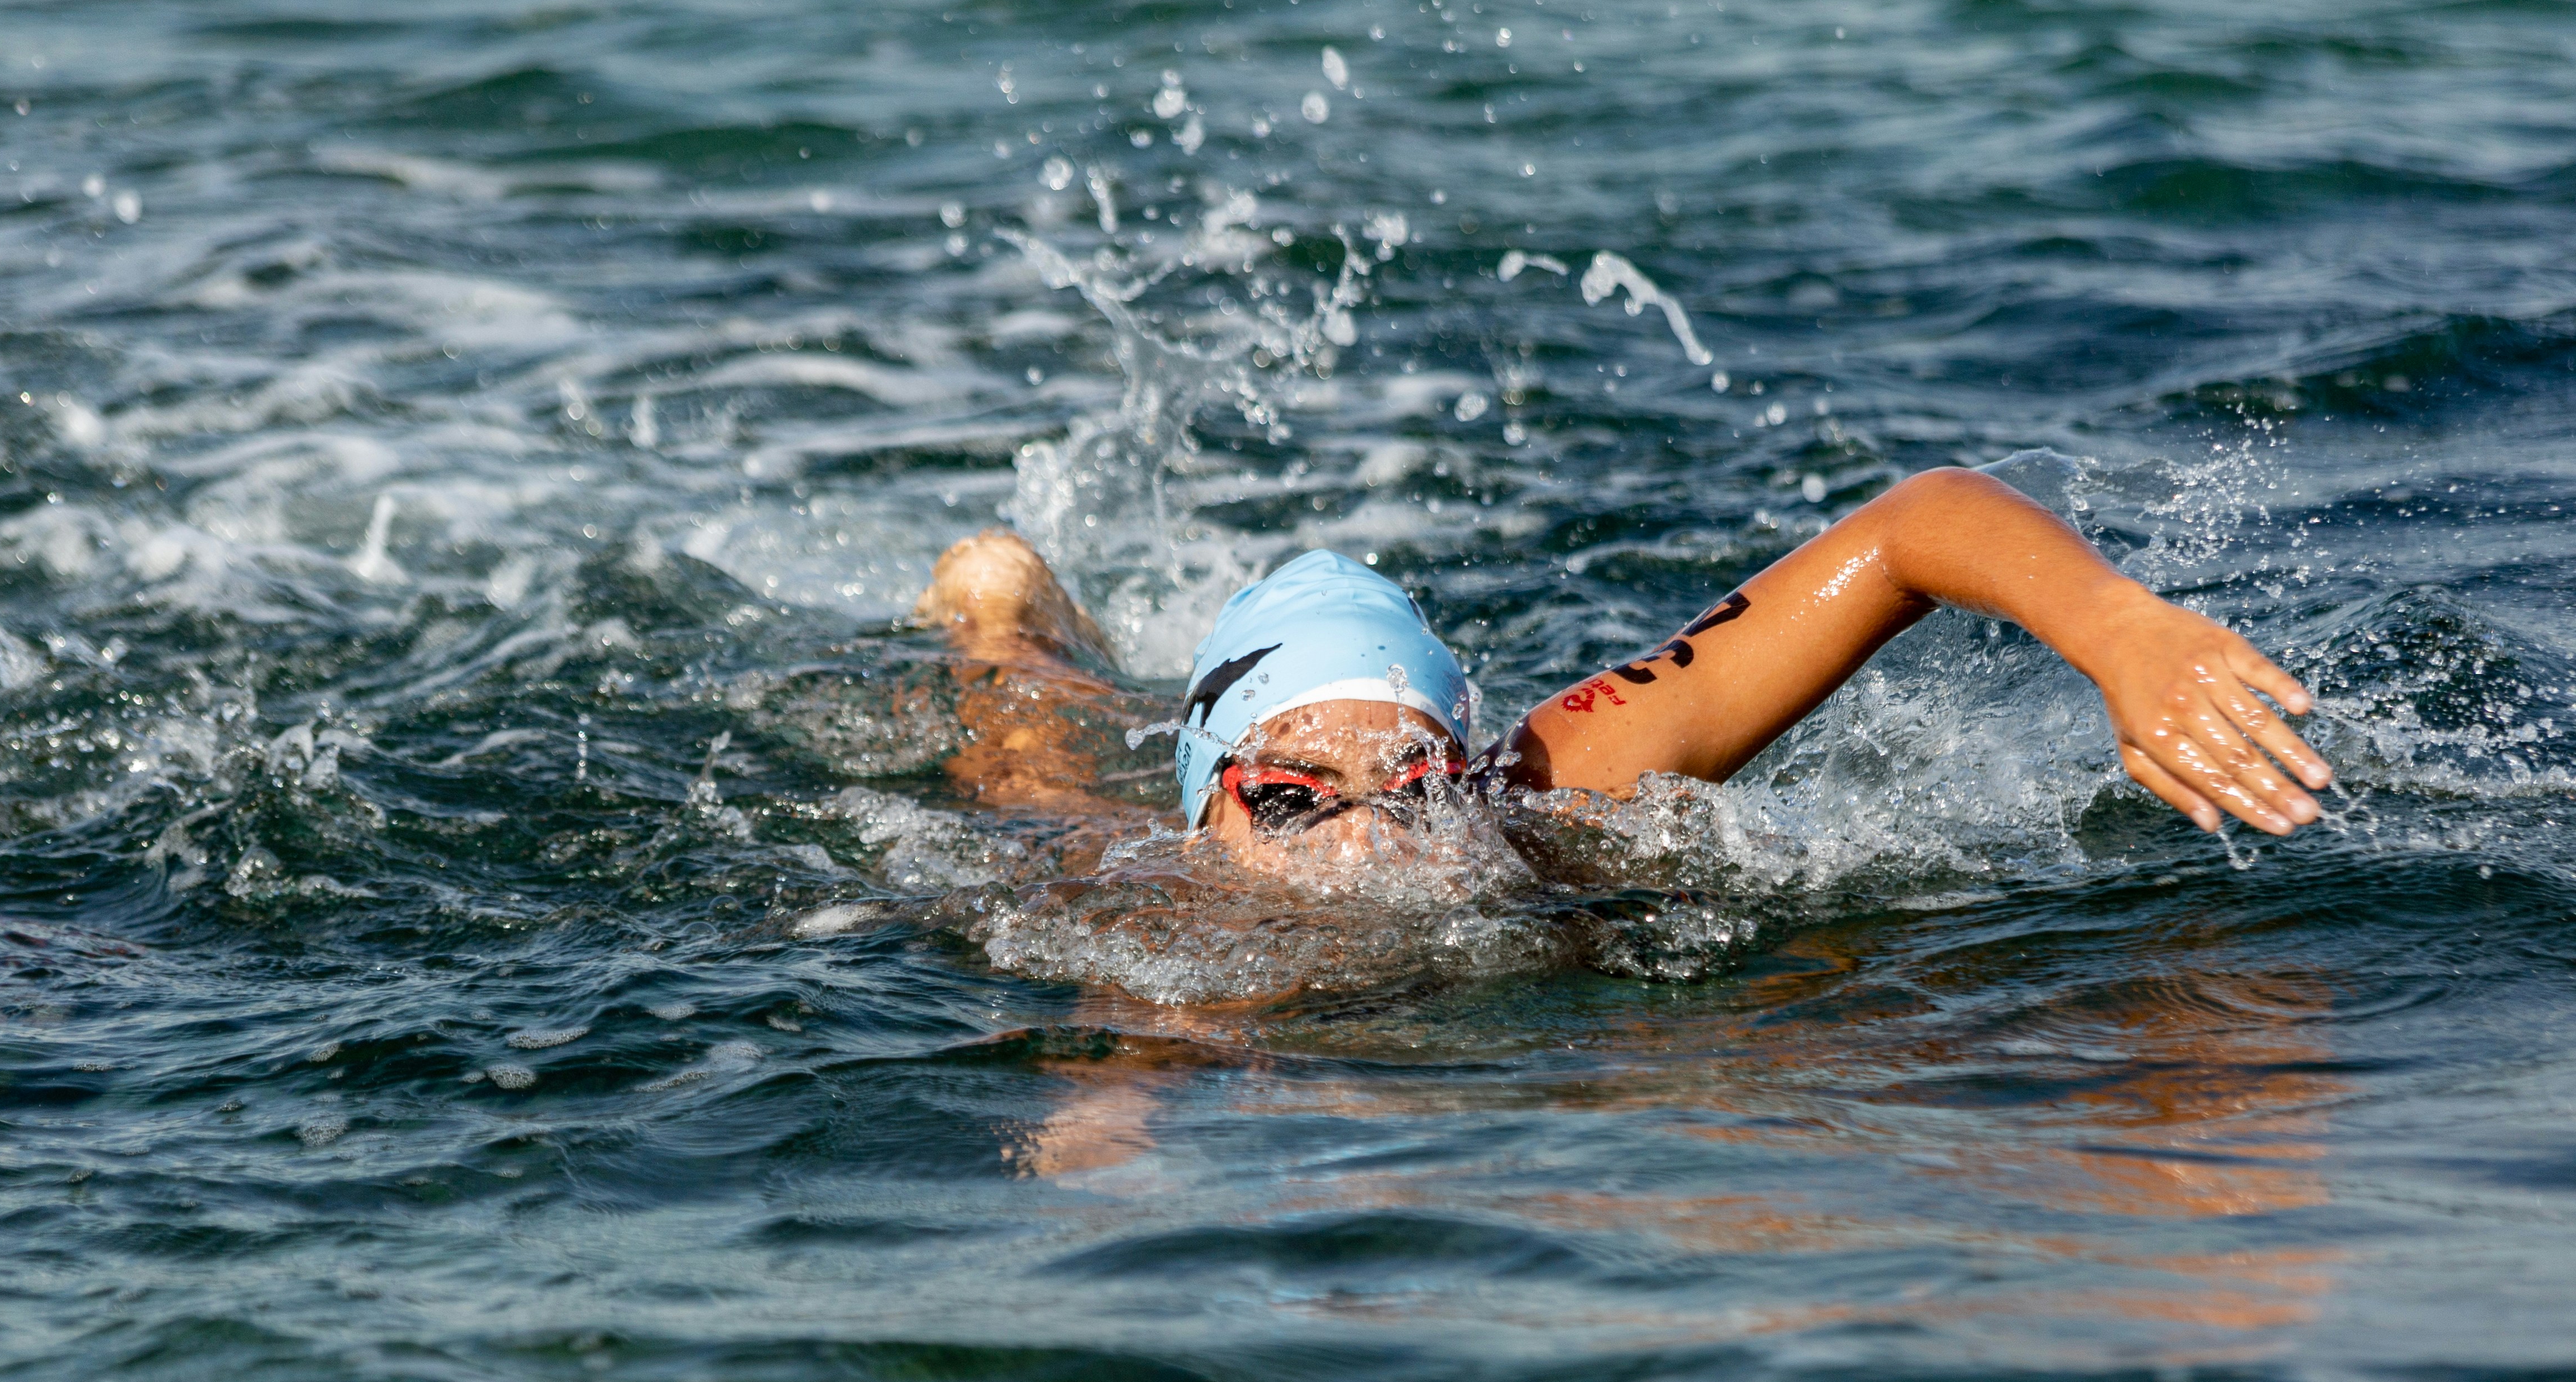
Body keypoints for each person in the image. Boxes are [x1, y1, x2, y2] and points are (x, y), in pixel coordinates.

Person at [910, 466, 2331, 868]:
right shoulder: (1132, 897)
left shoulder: (1554, 789)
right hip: (1082, 817)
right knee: (1023, 745)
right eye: (1291, 799)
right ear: (1211, 804)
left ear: (1469, 768)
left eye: (1413, 785)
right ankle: (1005, 614)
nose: (1365, 838)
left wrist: (2120, 628)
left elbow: (1911, 529)